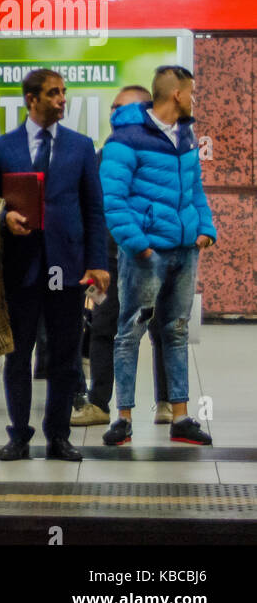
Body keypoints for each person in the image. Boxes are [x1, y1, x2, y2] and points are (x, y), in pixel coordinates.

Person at [0, 68, 109, 462]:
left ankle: (58, 437)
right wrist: (3, 218)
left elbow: (94, 210)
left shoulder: (81, 147)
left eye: (64, 92)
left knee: (65, 357)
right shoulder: (2, 147)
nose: (62, 99)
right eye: (53, 93)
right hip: (21, 267)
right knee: (18, 355)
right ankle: (19, 435)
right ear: (31, 99)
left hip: (66, 267)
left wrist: (98, 262)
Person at [100, 65, 217, 446]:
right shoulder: (126, 138)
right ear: (177, 96)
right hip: (146, 254)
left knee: (176, 331)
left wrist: (205, 229)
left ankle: (180, 417)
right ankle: (123, 417)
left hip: (185, 251)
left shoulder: (185, 136)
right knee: (129, 332)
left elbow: (195, 188)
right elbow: (113, 202)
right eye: (192, 93)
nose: (194, 99)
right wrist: (139, 244)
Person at [72, 85, 171, 427]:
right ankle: (98, 403)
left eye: (121, 109)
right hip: (110, 261)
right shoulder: (102, 156)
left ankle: (169, 402)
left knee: (163, 330)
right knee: (102, 328)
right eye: (113, 109)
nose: (114, 116)